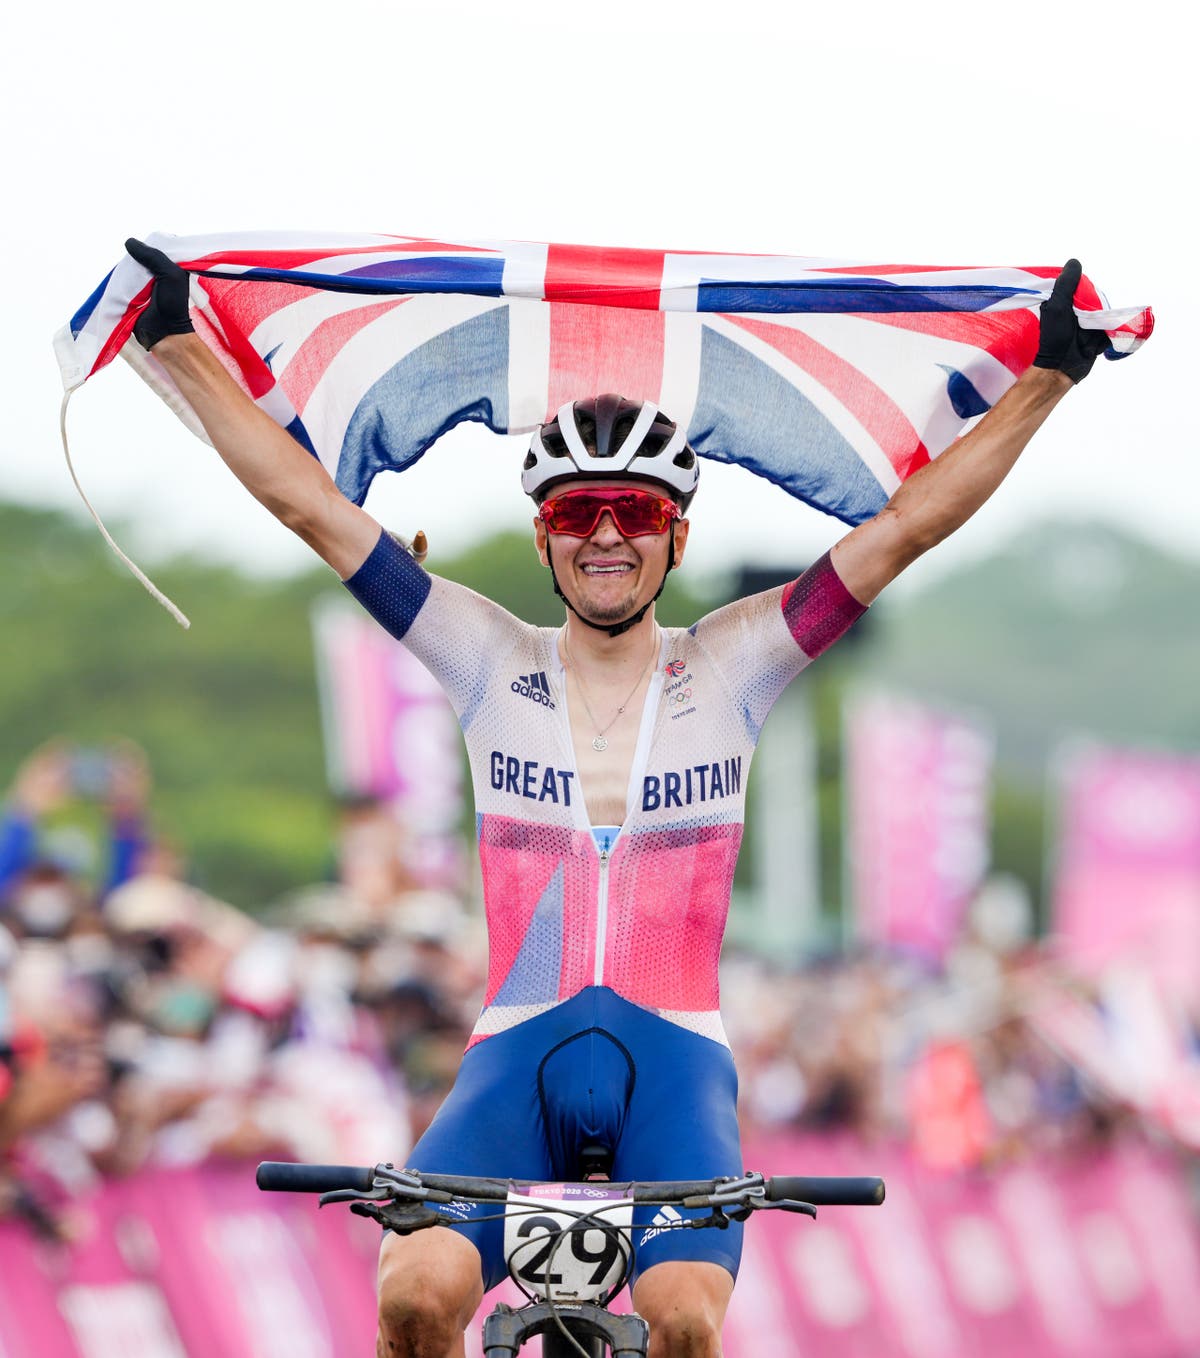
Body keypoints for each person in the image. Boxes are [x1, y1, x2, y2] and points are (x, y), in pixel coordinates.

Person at [122, 238, 1109, 1358]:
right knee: (411, 1301)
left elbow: (906, 527)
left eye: (635, 513)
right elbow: (311, 505)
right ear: (545, 532)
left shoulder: (737, 661)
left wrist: (1047, 378)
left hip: (674, 1067)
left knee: (683, 1322)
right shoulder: (483, 654)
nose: (606, 533)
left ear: (675, 534)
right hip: (514, 1055)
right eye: (580, 509)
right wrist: (175, 341)